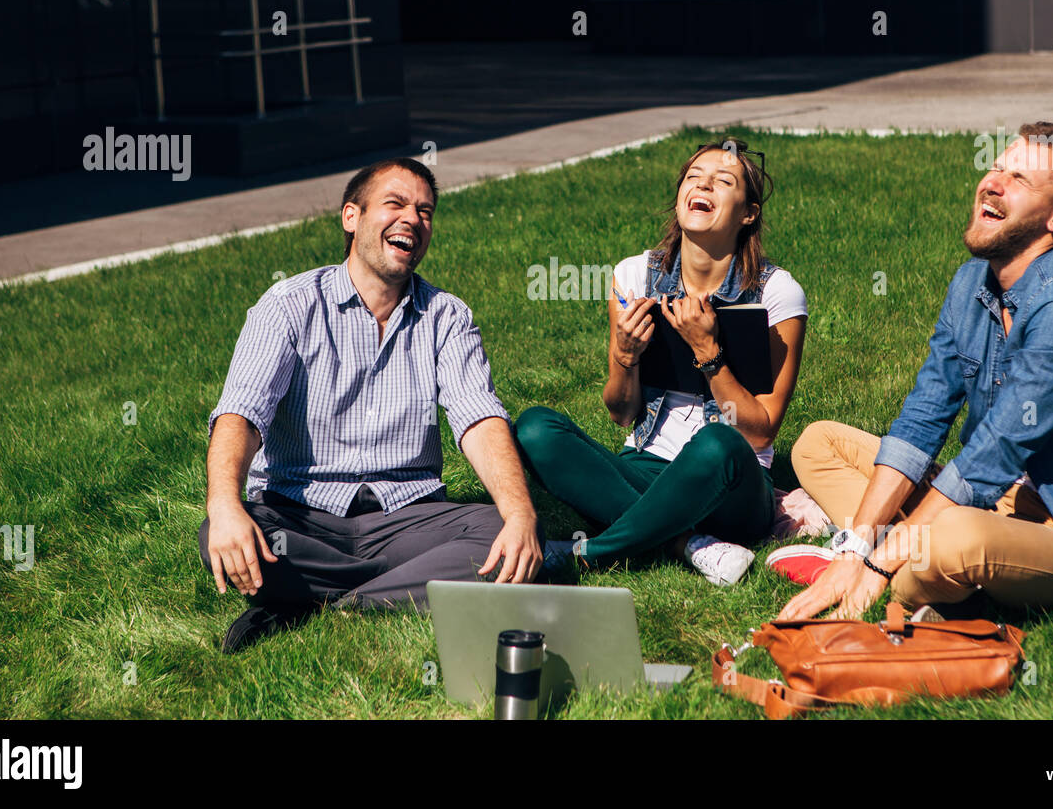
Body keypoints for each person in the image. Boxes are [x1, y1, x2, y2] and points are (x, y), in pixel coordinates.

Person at [783, 122, 1053, 622]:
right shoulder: (972, 281)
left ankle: (894, 579)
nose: (992, 183)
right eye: (995, 168)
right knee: (817, 444)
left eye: (1018, 179)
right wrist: (856, 548)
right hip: (987, 501)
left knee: (951, 540)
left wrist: (874, 565)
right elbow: (924, 417)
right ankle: (880, 563)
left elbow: (998, 449)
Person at [200, 157, 542, 652]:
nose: (412, 219)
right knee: (221, 531)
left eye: (425, 212)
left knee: (499, 531)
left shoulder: (447, 317)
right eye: (396, 203)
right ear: (351, 216)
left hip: (407, 517)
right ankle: (406, 587)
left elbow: (479, 418)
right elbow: (241, 414)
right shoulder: (288, 305)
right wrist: (227, 505)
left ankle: (320, 604)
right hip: (299, 515)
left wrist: (521, 514)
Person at [515, 138, 807, 585]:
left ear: (748, 213)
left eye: (723, 180)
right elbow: (620, 412)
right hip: (645, 465)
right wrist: (625, 355)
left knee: (718, 441)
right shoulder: (634, 275)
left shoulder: (776, 293)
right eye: (694, 177)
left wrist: (709, 356)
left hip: (731, 482)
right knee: (535, 428)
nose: (703, 184)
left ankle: (589, 553)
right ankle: (689, 543)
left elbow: (760, 429)